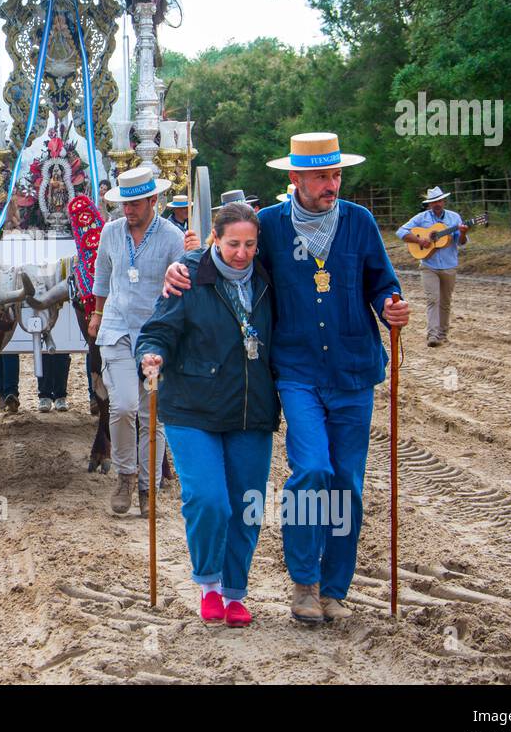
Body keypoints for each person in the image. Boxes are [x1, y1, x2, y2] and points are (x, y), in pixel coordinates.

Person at [164, 132, 410, 625]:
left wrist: (390, 304)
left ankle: (335, 587)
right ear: (295, 178)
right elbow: (228, 252)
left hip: (353, 370)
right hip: (296, 371)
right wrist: (182, 265)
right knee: (312, 471)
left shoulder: (359, 223)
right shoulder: (271, 227)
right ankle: (305, 582)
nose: (332, 184)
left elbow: (381, 280)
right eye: (322, 175)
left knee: (348, 485)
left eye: (336, 174)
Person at [137, 201, 279, 626]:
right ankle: (209, 584)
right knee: (209, 500)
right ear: (215, 238)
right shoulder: (188, 277)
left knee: (246, 504)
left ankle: (235, 593)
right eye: (233, 243)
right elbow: (156, 330)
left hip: (251, 408)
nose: (241, 253)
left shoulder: (270, 278)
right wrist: (151, 355)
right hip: (192, 408)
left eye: (249, 244)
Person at [88, 166, 186, 517]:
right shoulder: (110, 232)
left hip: (156, 333)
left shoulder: (173, 237)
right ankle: (125, 475)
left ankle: (149, 488)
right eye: (123, 204)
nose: (127, 211)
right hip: (116, 329)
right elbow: (102, 277)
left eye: (134, 204)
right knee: (124, 406)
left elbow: (183, 286)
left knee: (152, 414)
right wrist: (97, 315)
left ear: (153, 200)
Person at [397, 186, 468, 348]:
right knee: (432, 299)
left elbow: (461, 242)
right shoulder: (421, 218)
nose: (437, 204)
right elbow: (401, 232)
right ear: (429, 204)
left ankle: (443, 333)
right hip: (429, 265)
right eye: (434, 201)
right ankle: (433, 335)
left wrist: (463, 232)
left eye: (440, 200)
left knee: (445, 301)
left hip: (449, 265)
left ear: (444, 201)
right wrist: (419, 240)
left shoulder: (454, 218)